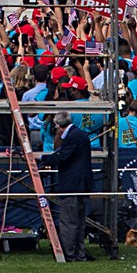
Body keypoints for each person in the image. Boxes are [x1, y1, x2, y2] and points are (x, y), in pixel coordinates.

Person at [41, 111, 94, 262]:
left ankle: (69, 254)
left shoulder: (72, 136)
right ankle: (79, 253)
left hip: (72, 185)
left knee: (69, 222)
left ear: (58, 126)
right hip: (83, 185)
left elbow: (63, 157)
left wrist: (43, 158)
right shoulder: (81, 134)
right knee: (80, 222)